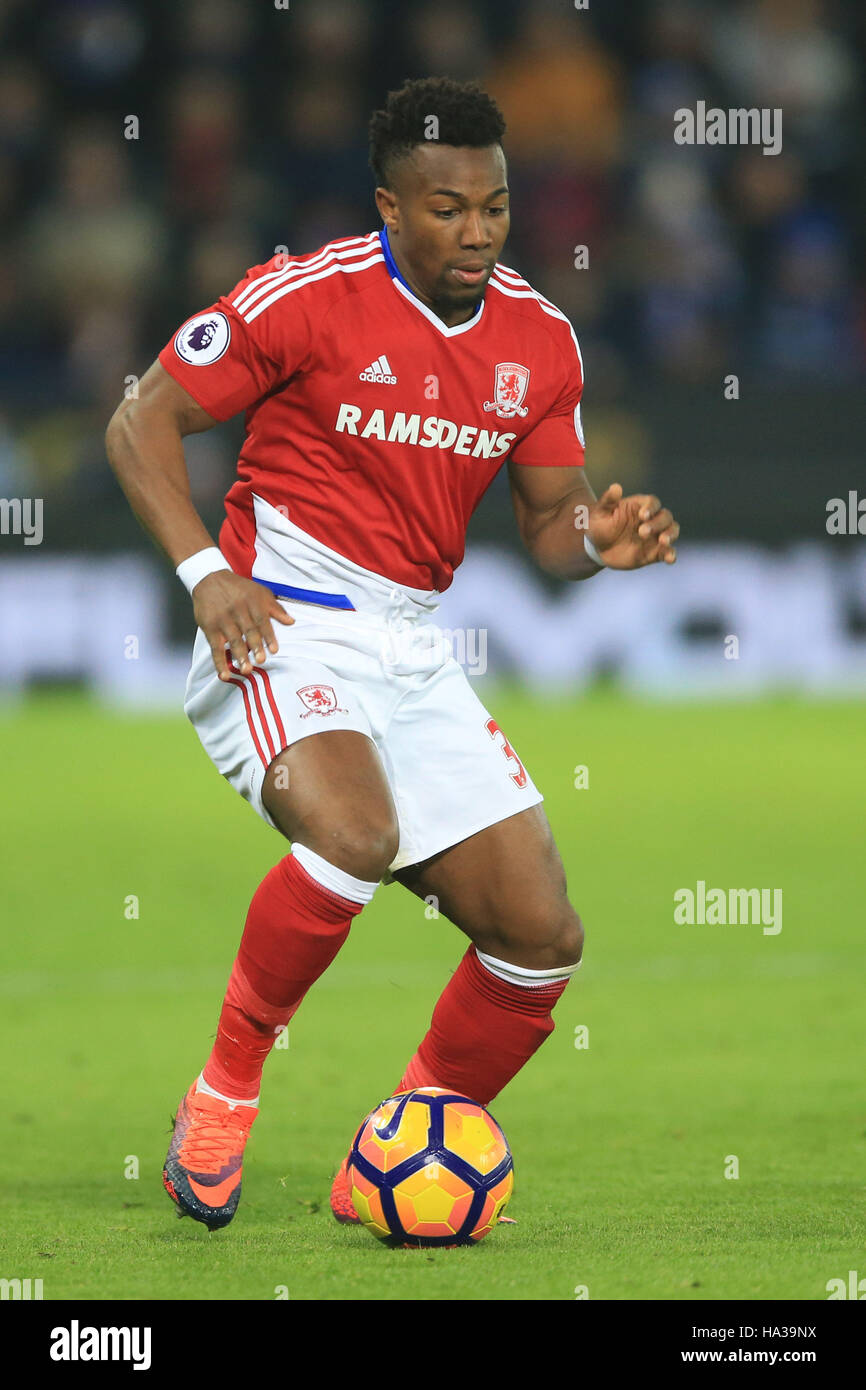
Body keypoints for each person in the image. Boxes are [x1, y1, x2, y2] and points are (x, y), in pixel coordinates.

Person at [105, 76, 679, 1232]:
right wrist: (206, 577)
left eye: (495, 207)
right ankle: (222, 1095)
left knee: (538, 940)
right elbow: (139, 420)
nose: (475, 231)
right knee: (352, 838)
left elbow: (547, 523)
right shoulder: (309, 296)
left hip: (408, 645)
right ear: (389, 205)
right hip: (276, 619)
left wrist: (595, 543)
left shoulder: (539, 339)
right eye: (446, 207)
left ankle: (400, 1147)